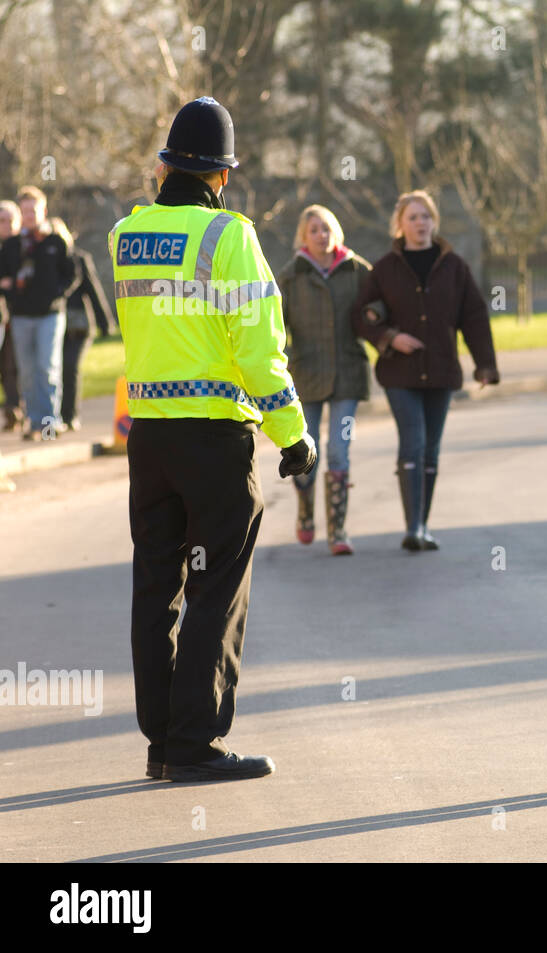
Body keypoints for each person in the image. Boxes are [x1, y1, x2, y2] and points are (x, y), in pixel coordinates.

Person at [111, 97, 316, 782]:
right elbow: (259, 352)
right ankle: (197, 740)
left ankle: (162, 741)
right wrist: (293, 436)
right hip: (214, 437)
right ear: (222, 176)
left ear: (167, 164)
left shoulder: (125, 236)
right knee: (214, 585)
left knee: (156, 586)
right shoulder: (230, 238)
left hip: (149, 441)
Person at [351, 189, 498, 551]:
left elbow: (475, 317)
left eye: (426, 217)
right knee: (413, 443)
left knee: (430, 449)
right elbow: (360, 316)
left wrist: (485, 364)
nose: (421, 223)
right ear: (399, 225)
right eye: (413, 217)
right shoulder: (384, 268)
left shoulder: (454, 266)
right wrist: (390, 337)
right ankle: (413, 527)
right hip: (399, 374)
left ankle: (424, 525)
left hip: (442, 371)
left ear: (435, 221)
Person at [278, 205, 373, 555]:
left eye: (327, 227)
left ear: (337, 231)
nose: (322, 234)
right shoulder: (291, 275)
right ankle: (305, 512)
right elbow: (275, 327)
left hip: (348, 373)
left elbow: (378, 308)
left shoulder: (358, 269)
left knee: (339, 447)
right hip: (305, 375)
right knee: (307, 449)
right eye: (314, 229)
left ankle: (338, 530)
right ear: (303, 236)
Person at [0, 186, 76, 439]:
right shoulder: (12, 246)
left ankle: (49, 423)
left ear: (43, 210)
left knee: (47, 367)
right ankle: (34, 424)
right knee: (28, 372)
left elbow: (72, 273)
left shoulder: (55, 241)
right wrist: (8, 288)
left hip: (50, 315)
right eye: (25, 211)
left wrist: (58, 292)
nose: (29, 216)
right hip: (21, 315)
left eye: (33, 210)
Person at [61, 236, 116, 431]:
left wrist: (105, 324)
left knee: (70, 366)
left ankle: (70, 416)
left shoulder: (79, 259)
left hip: (80, 326)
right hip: (57, 328)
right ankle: (56, 416)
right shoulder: (44, 261)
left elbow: (94, 291)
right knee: (56, 371)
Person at [0, 200, 23, 432]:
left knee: (14, 367)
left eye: (9, 220)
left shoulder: (25, 247)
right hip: (4, 318)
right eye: (1, 221)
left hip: (20, 316)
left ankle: (15, 410)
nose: (5, 225)